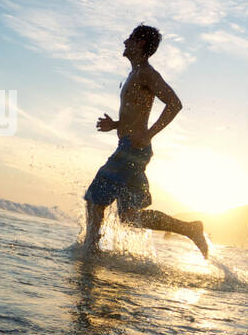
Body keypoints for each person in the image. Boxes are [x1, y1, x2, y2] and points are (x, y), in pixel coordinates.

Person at [82, 25, 209, 258]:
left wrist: (149, 134)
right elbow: (135, 116)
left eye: (130, 38)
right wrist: (116, 125)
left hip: (133, 149)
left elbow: (174, 103)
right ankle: (189, 228)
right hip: (131, 147)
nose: (125, 41)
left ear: (140, 43)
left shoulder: (146, 73)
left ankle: (89, 252)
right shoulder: (134, 74)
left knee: (95, 198)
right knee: (129, 216)